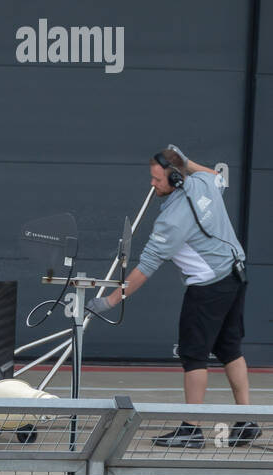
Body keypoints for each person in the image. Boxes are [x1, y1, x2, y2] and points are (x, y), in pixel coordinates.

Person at [87, 146, 256, 448]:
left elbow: (147, 266)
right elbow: (216, 176)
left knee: (194, 356)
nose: (152, 185)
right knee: (230, 348)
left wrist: (111, 301)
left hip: (208, 287)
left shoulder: (173, 220)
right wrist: (188, 162)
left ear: (175, 178)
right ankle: (247, 421)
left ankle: (191, 429)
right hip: (235, 275)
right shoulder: (202, 182)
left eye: (157, 179)